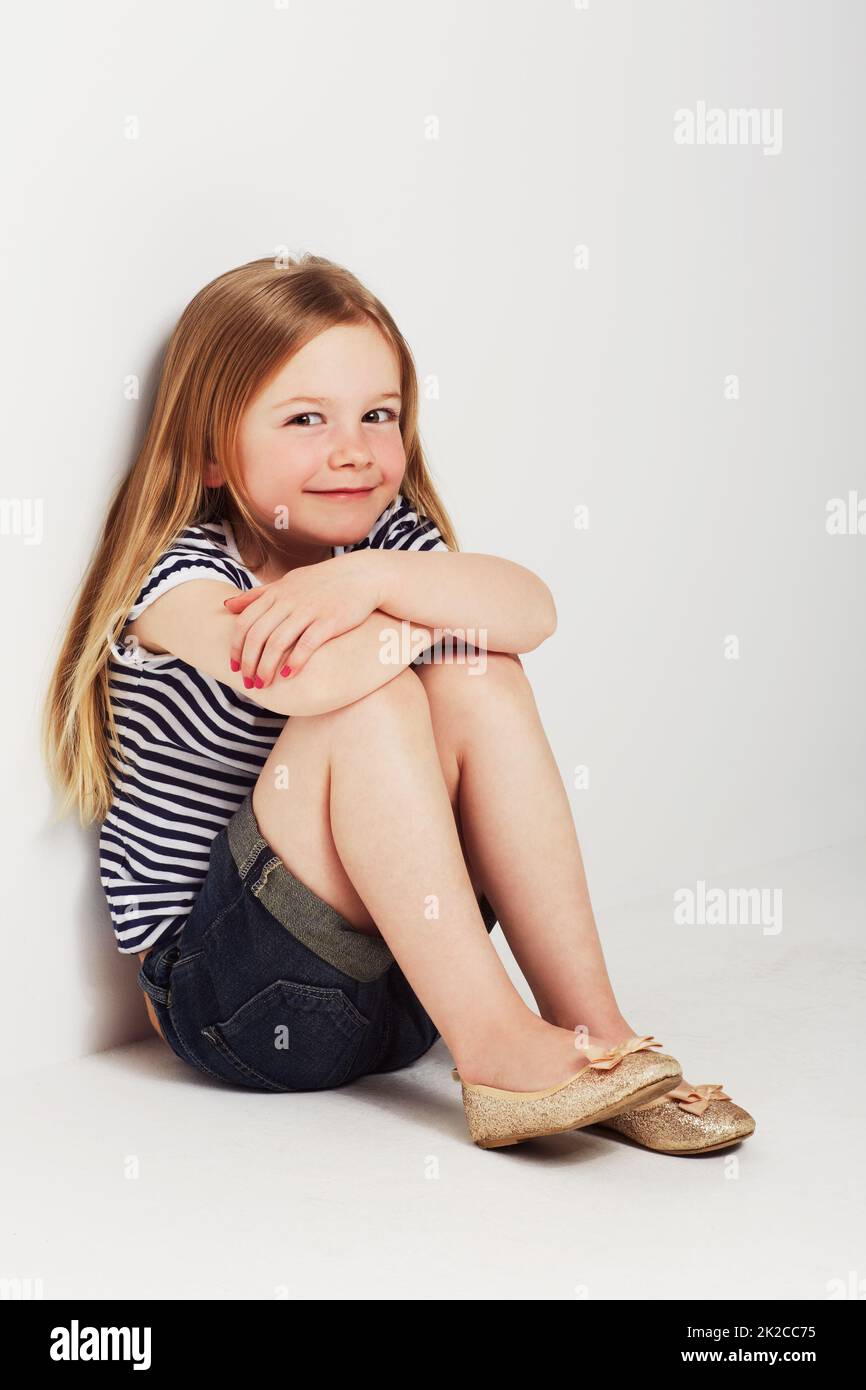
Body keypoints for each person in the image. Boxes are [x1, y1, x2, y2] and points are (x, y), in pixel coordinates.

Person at [41, 253, 754, 1153]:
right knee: (374, 698)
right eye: (306, 419)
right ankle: (496, 1051)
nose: (355, 451)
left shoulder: (378, 546)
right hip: (239, 1005)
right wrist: (421, 623)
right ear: (211, 453)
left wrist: (376, 580)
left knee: (480, 675)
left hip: (407, 988)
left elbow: (532, 610)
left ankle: (591, 1034)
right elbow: (307, 680)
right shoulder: (180, 577)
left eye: (379, 416)